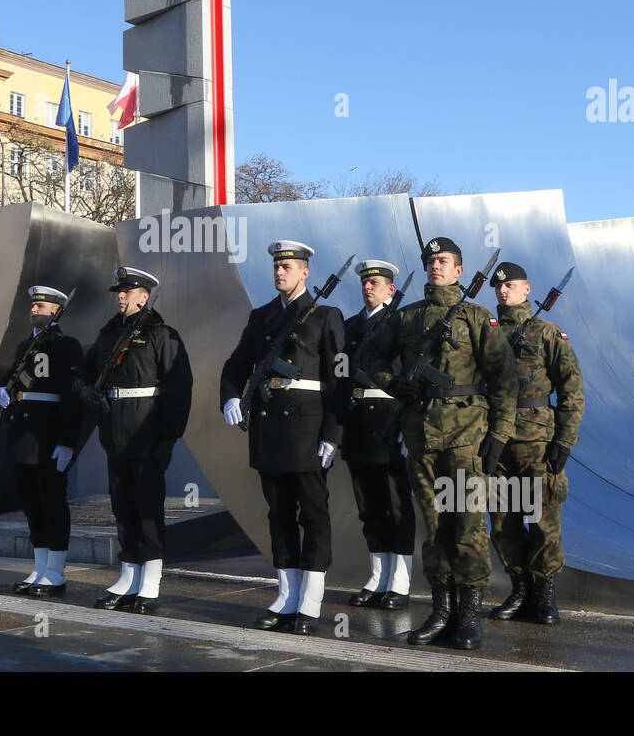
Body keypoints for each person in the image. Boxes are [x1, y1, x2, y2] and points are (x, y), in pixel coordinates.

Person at [366, 237, 517, 650]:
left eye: (444, 260)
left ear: (459, 270)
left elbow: (505, 380)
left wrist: (499, 437)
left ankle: (468, 615)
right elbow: (369, 359)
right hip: (423, 438)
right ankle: (441, 610)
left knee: (467, 527)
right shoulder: (408, 317)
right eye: (430, 260)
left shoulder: (476, 316)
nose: (435, 265)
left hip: (468, 439)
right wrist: (395, 384)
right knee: (434, 529)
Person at [220, 241, 346, 635]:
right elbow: (236, 364)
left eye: (288, 267)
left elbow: (339, 379)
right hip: (269, 428)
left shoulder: (326, 315)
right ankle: (286, 596)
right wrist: (228, 397)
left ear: (305, 272)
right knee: (279, 516)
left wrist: (333, 433)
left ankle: (310, 600)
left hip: (307, 431)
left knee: (313, 514)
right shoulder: (261, 318)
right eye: (276, 266)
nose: (280, 272)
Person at [77, 267, 192, 615]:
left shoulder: (161, 334)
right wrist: (85, 392)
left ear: (145, 296)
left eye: (128, 291)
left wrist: (169, 437)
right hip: (115, 430)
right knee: (123, 506)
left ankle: (151, 580)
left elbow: (179, 388)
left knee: (147, 508)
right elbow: (83, 372)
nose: (121, 296)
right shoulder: (109, 334)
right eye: (119, 291)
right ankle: (128, 576)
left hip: (147, 431)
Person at [488, 262, 584, 625]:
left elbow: (572, 390)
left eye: (510, 285)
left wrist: (565, 440)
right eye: (498, 286)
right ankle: (520, 588)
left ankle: (544, 593)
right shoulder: (488, 334)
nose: (503, 291)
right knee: (502, 520)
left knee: (542, 518)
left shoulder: (547, 333)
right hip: (496, 440)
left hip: (537, 441)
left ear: (527, 290)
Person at [0, 285, 84, 597]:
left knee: (51, 502)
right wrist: (2, 393)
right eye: (33, 306)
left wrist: (67, 440)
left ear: (56, 311)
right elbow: (16, 382)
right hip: (22, 435)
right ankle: (41, 566)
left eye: (42, 307)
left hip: (47, 437)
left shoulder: (66, 346)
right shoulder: (23, 348)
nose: (34, 310)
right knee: (31, 503)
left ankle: (56, 571)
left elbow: (72, 398)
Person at [342, 260, 415, 609]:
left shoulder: (400, 324)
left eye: (376, 283)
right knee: (368, 504)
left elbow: (409, 378)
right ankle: (378, 575)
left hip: (388, 418)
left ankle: (399, 579)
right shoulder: (351, 326)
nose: (368, 287)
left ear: (391, 289)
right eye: (365, 282)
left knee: (395, 504)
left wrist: (406, 425)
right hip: (358, 423)